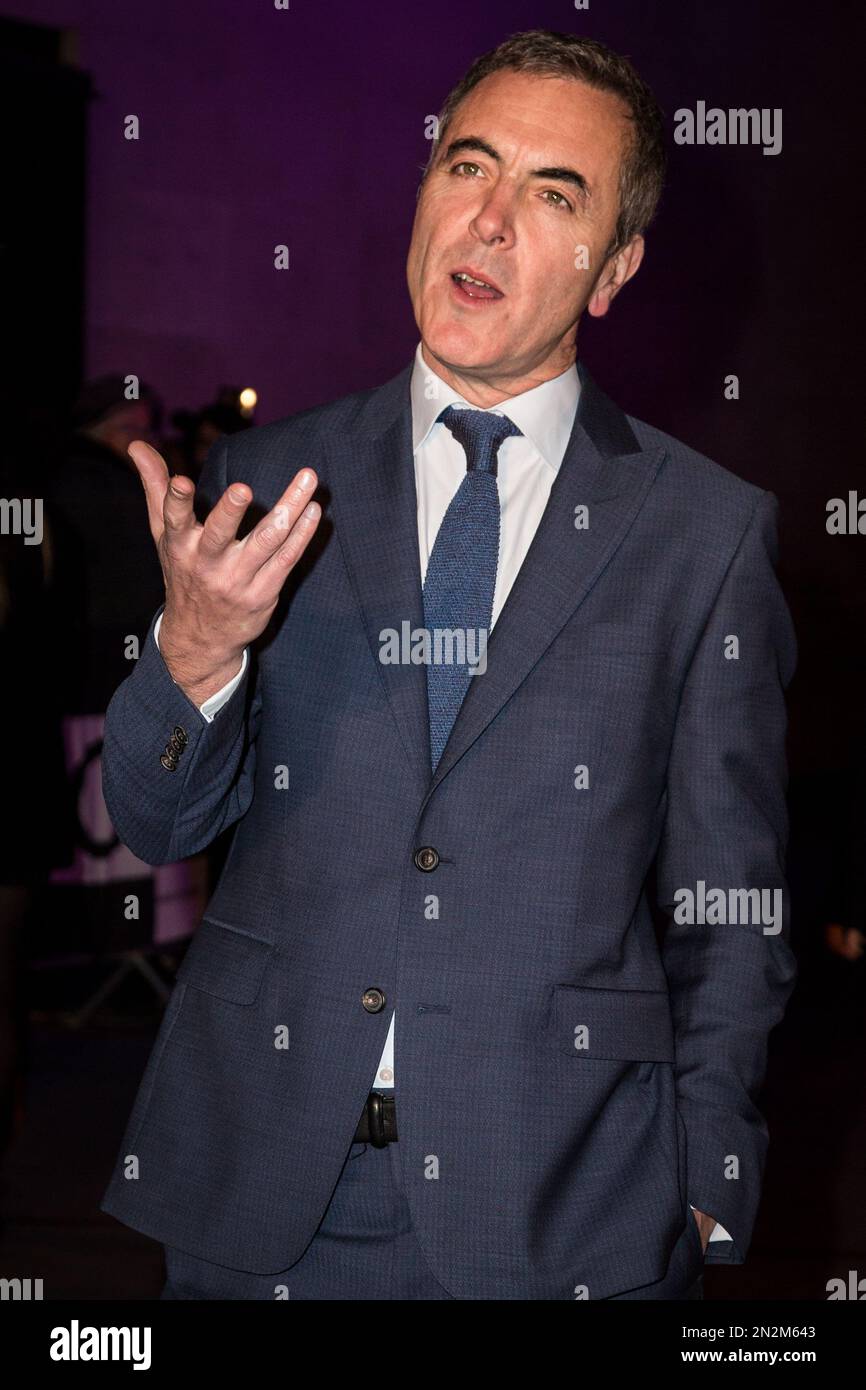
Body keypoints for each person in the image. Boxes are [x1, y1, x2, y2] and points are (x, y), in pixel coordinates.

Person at [99, 30, 798, 1300]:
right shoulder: (265, 489)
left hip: (566, 1219)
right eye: (465, 167)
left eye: (551, 193)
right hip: (259, 1204)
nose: (486, 220)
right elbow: (154, 824)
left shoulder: (704, 535)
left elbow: (728, 914)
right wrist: (195, 645)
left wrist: (706, 1191)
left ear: (613, 270)